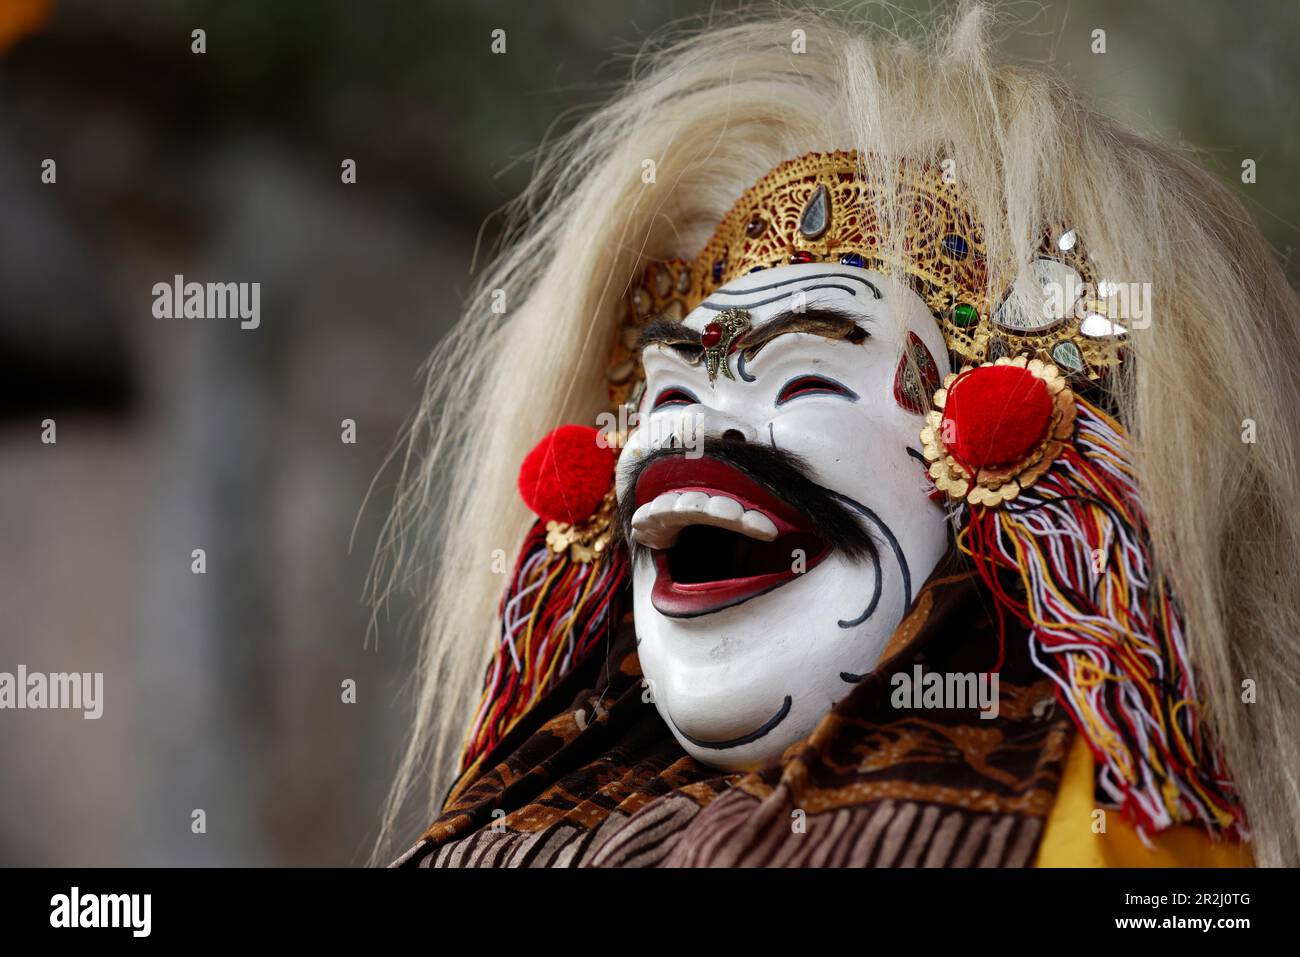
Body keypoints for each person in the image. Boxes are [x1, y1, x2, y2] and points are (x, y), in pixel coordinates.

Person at [378, 6, 1299, 867]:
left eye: (804, 378)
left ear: (998, 451)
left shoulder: (1120, 828)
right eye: (669, 394)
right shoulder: (528, 816)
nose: (691, 434)